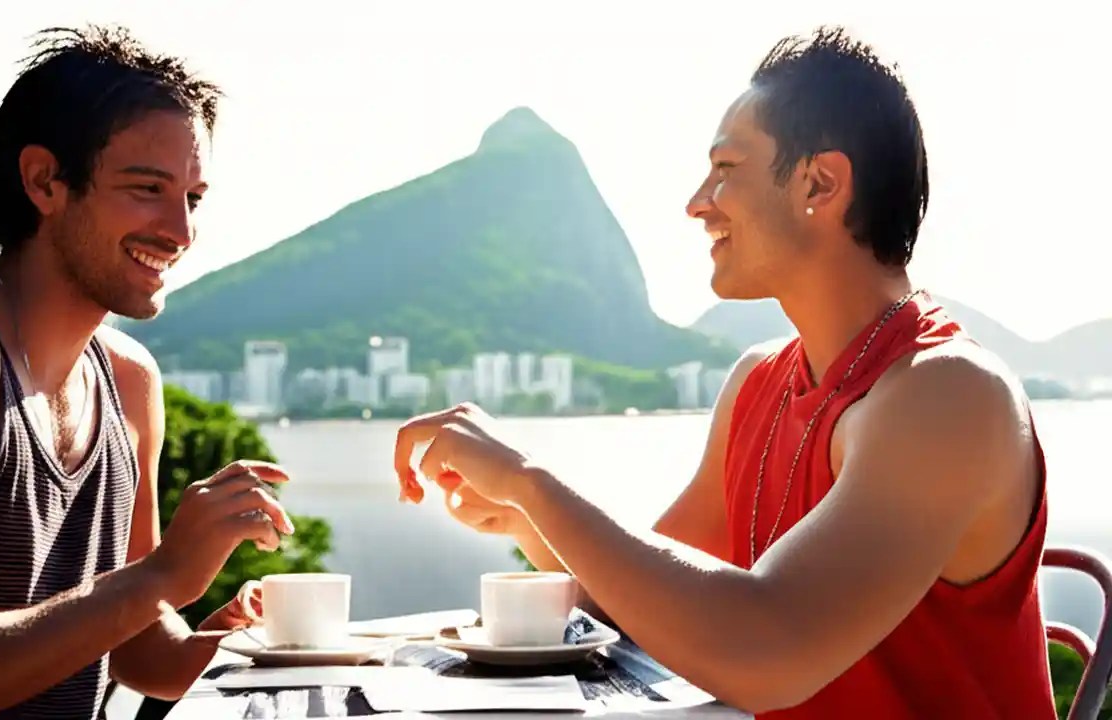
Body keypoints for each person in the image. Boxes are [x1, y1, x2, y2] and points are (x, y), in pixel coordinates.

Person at [394, 26, 1055, 719]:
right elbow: (648, 606)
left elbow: (767, 651)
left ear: (819, 183)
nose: (697, 202)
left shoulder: (949, 395)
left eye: (726, 169)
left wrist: (531, 480)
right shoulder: (757, 384)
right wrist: (525, 515)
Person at [0, 26, 292, 719]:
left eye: (193, 197)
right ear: (44, 180)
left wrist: (241, 642)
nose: (181, 230)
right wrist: (160, 576)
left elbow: (137, 654)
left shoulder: (130, 381)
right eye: (147, 188)